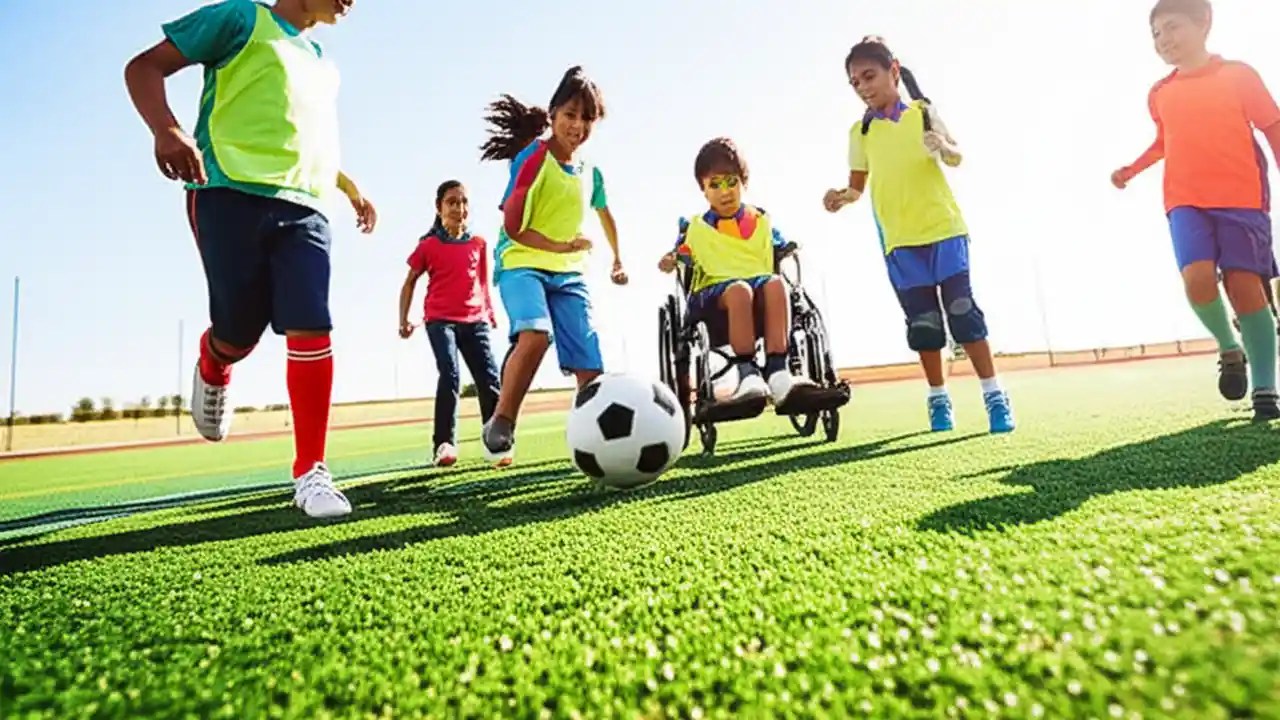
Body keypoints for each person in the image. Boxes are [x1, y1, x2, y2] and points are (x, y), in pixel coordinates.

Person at [124, 0, 377, 518]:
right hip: (227, 192)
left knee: (312, 324)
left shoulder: (324, 62)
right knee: (239, 331)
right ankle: (215, 360)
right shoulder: (240, 19)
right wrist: (166, 129)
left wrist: (350, 188)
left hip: (307, 207)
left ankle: (311, 471)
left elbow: (308, 140)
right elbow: (143, 67)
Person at [823, 36, 1015, 434]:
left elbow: (956, 156)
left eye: (869, 75)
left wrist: (942, 144)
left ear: (893, 70)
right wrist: (842, 197)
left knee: (962, 312)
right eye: (855, 82)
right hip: (899, 241)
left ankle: (994, 395)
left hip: (945, 229)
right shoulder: (860, 133)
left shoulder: (924, 113)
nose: (862, 87)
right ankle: (939, 400)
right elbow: (858, 186)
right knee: (924, 324)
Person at [1112, 0, 1280, 421]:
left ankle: (1265, 389)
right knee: (1197, 279)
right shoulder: (1161, 93)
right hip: (1184, 201)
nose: (1163, 39)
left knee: (1245, 288)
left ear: (1204, 23)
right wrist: (1132, 169)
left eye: (1172, 27)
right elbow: (1165, 142)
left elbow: (1272, 126)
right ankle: (1228, 345)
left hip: (1243, 200)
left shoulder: (1239, 76)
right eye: (1156, 33)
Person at [477, 65, 629, 464]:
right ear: (553, 114)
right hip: (521, 262)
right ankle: (502, 420)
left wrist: (616, 257)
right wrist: (561, 245)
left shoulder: (590, 170)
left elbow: (605, 213)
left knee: (588, 359)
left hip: (569, 272)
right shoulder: (532, 159)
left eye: (586, 119)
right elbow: (514, 226)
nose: (577, 126)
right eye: (570, 115)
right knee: (536, 334)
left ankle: (597, 442)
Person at [658, 137, 826, 411]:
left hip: (760, 296)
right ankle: (747, 373)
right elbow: (683, 254)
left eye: (731, 182)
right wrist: (672, 259)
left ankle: (778, 372)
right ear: (703, 189)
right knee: (739, 291)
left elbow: (782, 247)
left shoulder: (761, 221)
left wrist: (789, 248)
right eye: (715, 184)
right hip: (712, 299)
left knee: (775, 284)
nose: (725, 192)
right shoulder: (696, 227)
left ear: (742, 183)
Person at [399, 180, 504, 468]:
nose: (459, 208)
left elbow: (482, 282)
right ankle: (444, 444)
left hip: (475, 320)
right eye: (452, 202)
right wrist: (404, 319)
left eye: (464, 202)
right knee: (450, 374)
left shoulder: (478, 244)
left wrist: (490, 314)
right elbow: (409, 283)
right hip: (440, 320)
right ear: (439, 207)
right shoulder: (428, 245)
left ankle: (496, 441)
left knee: (489, 379)